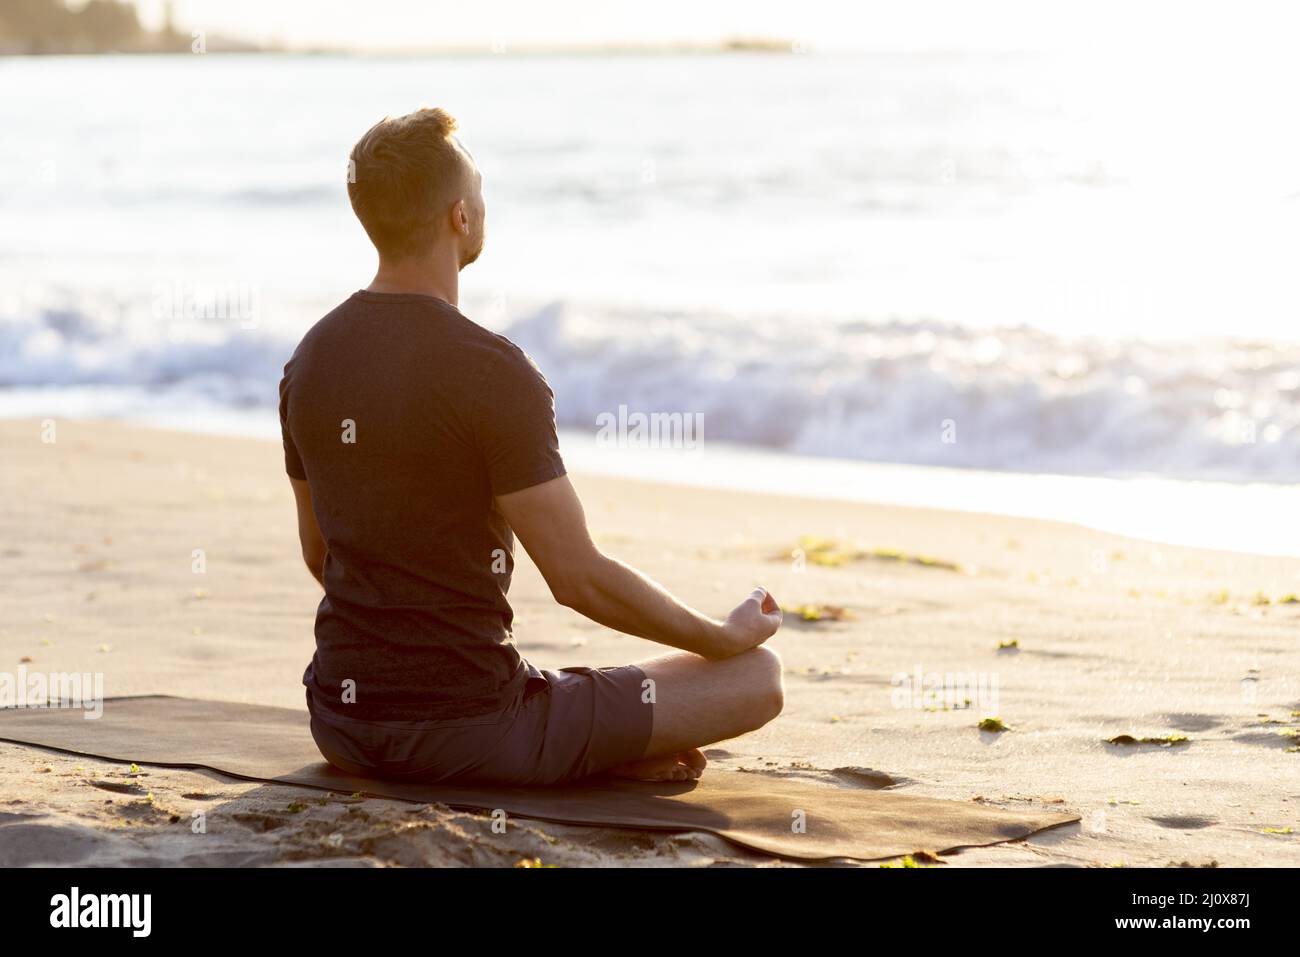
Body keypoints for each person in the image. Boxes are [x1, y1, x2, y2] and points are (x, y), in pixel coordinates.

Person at [279, 107, 783, 786]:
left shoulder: (309, 363)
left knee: (560, 688)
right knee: (757, 677)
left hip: (342, 724)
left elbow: (322, 555)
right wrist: (718, 636)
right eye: (479, 191)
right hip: (477, 728)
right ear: (461, 216)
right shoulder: (493, 371)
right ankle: (592, 750)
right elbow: (577, 578)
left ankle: (589, 743)